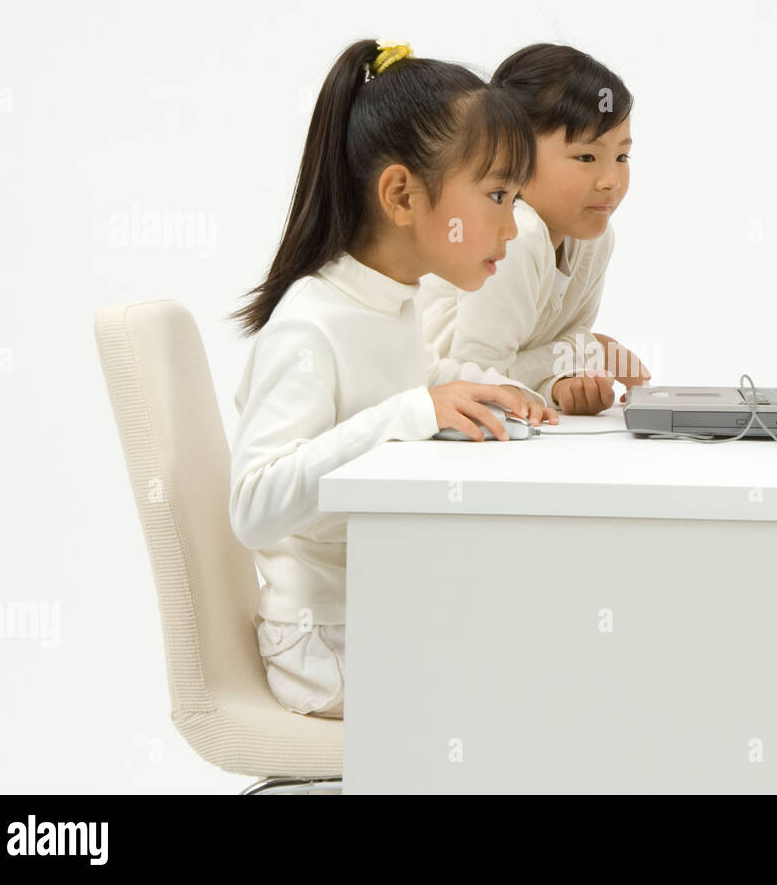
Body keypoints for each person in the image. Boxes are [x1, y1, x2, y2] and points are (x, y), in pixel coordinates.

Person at [227, 39, 558, 718]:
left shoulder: (389, 299)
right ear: (403, 194)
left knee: (549, 648)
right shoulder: (312, 325)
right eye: (497, 195)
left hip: (376, 617)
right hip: (324, 648)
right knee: (533, 697)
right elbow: (253, 504)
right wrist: (412, 411)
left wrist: (485, 388)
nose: (514, 225)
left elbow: (409, 379)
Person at [418, 43, 650, 415]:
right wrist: (592, 349)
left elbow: (543, 352)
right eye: (586, 157)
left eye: (622, 157)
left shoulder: (594, 239)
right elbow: (480, 381)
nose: (611, 180)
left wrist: (565, 383)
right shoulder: (517, 236)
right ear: (515, 155)